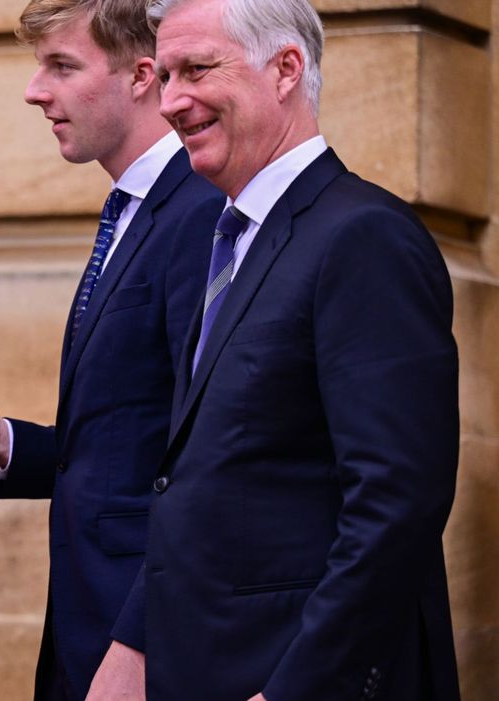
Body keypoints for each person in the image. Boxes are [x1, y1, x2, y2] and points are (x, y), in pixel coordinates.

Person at [134, 0, 460, 698]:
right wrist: (133, 647)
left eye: (195, 69)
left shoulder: (363, 237)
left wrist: (298, 688)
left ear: (286, 69)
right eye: (164, 76)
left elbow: (396, 502)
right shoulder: (230, 239)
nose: (170, 101)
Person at [0, 0, 223, 698]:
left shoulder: (200, 209)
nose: (36, 90)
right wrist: (7, 443)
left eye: (62, 66)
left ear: (142, 75)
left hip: (145, 640)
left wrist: (139, 639)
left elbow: (205, 454)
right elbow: (133, 434)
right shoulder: (135, 206)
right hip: (86, 622)